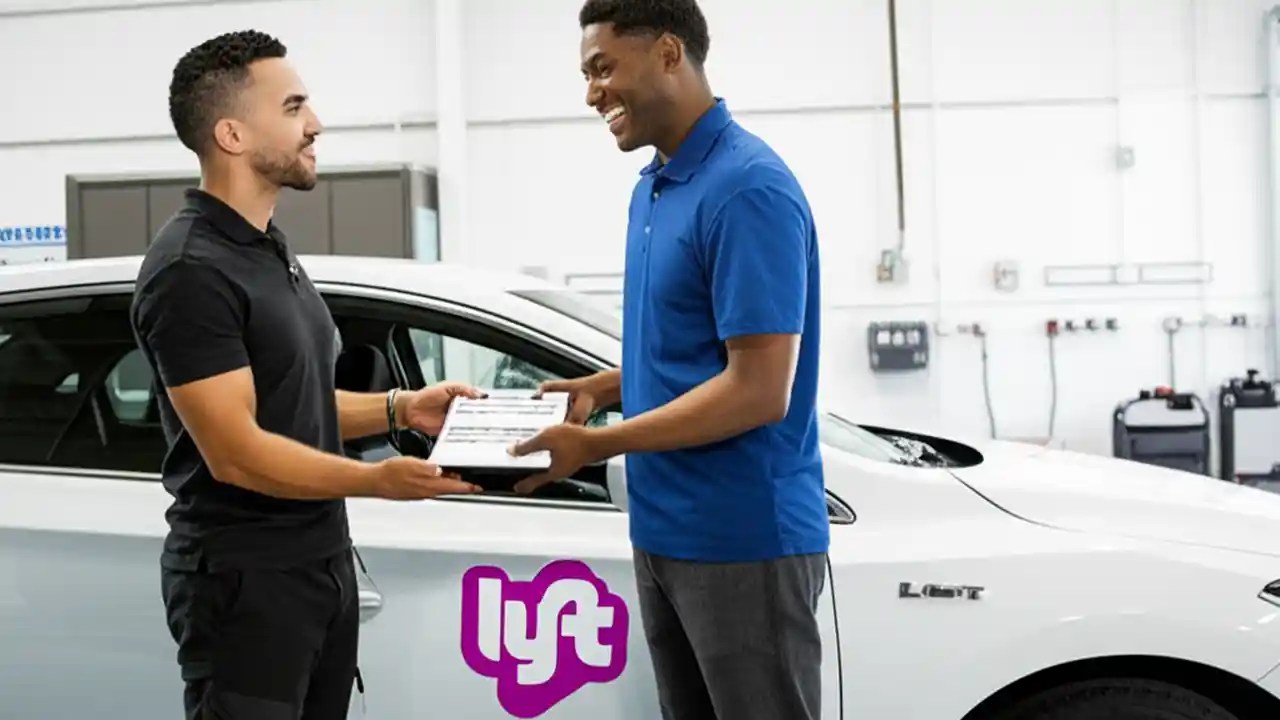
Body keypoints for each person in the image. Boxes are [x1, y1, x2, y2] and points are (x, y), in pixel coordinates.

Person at [131, 30, 483, 720]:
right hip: (247, 584)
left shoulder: (264, 249)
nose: (315, 123)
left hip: (319, 563)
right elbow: (235, 452)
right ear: (232, 134)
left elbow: (289, 401)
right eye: (293, 107)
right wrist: (376, 481)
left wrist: (400, 408)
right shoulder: (190, 270)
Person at [508, 2, 829, 719]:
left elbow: (757, 389)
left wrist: (597, 445)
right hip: (663, 531)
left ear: (667, 52)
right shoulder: (654, 186)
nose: (591, 93)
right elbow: (694, 353)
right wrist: (602, 389)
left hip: (741, 537)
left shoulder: (747, 188)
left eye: (602, 68)